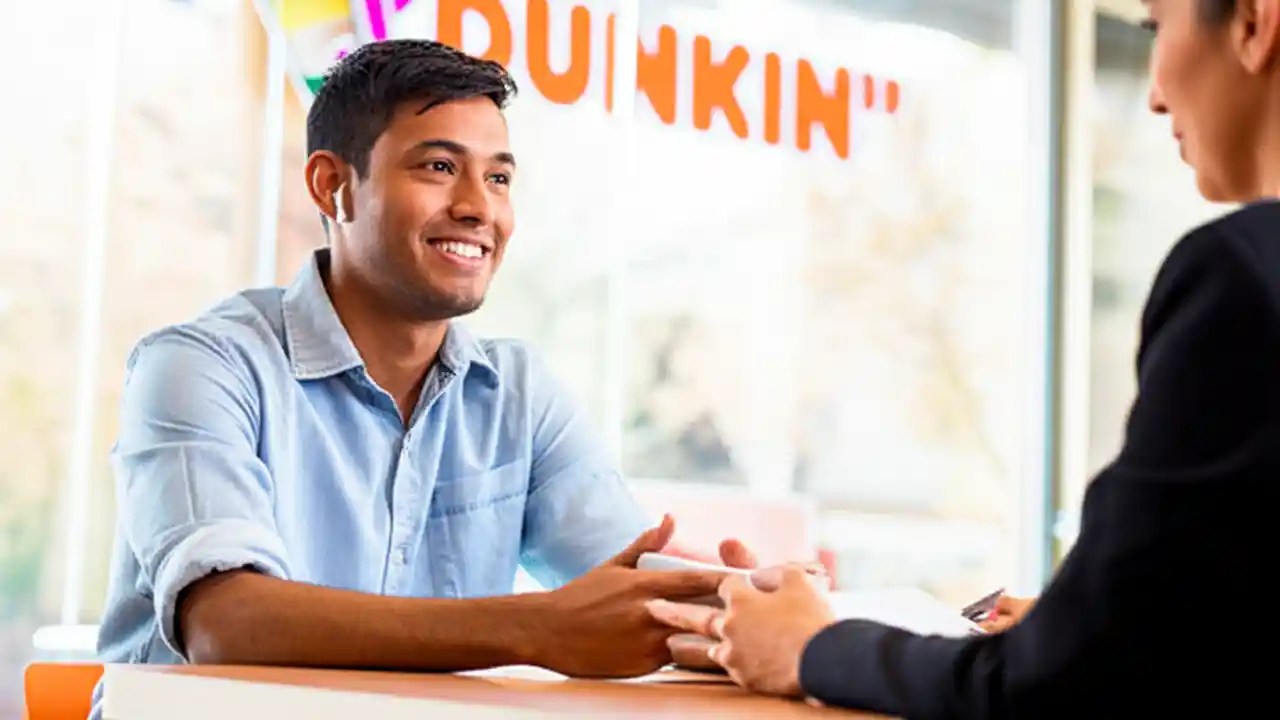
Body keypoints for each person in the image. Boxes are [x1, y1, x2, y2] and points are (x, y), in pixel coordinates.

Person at [647, 0, 1280, 716]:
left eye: (1154, 28)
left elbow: (1063, 686)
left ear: (1255, 25)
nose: (1156, 91)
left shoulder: (1243, 275)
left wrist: (813, 649)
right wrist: (1087, 620)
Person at [90, 39, 759, 716]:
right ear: (333, 185)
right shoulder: (201, 366)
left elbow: (624, 588)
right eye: (439, 167)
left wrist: (746, 600)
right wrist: (536, 628)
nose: (479, 208)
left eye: (498, 179)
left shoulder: (518, 394)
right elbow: (226, 622)